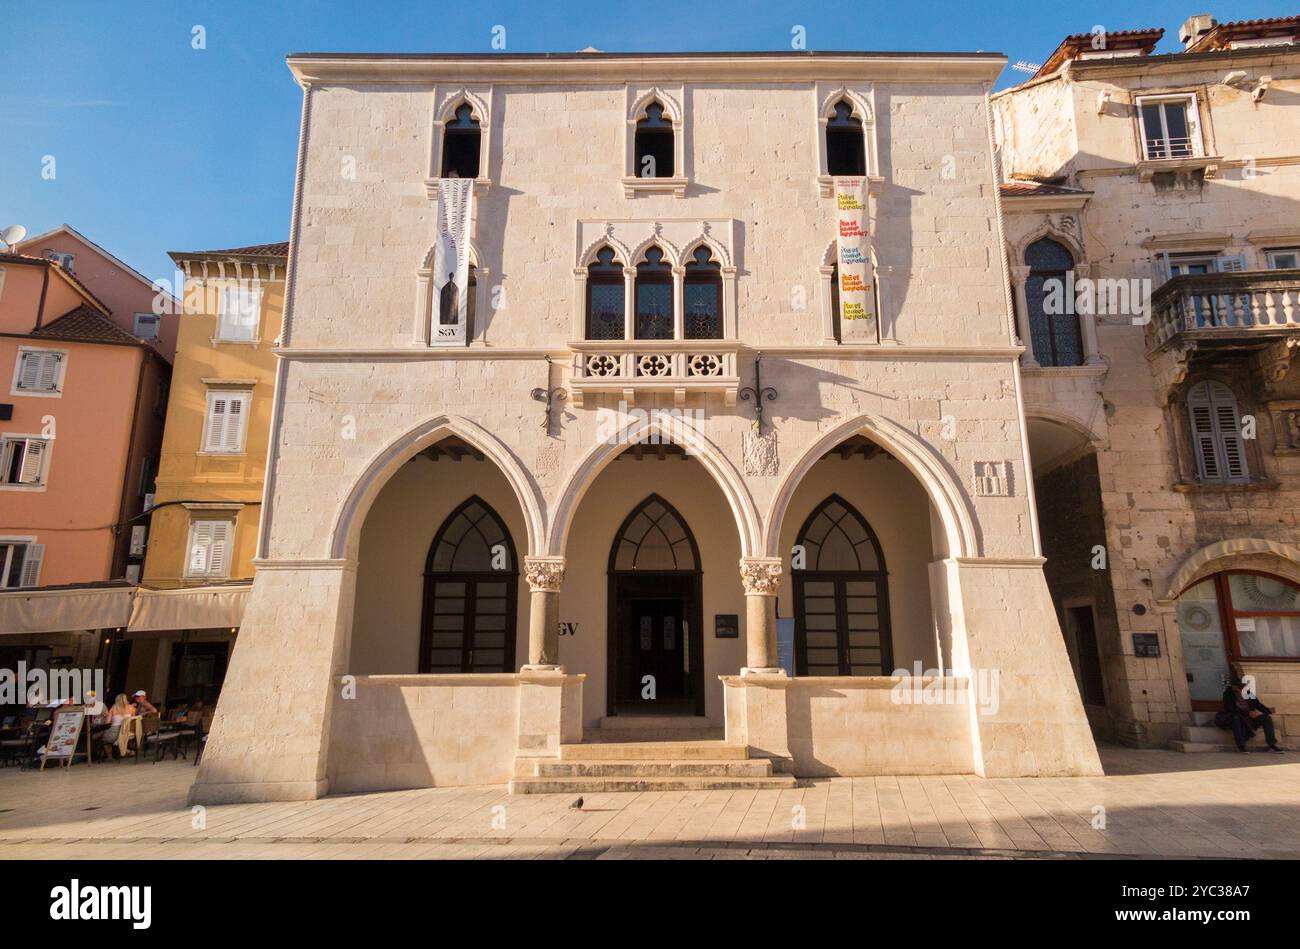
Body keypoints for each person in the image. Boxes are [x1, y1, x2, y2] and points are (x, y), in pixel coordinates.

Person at [1217, 677, 1284, 753]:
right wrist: (1248, 712)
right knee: (1236, 718)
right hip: (1236, 719)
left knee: (1266, 718)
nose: (1240, 692)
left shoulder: (1248, 693)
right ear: (1234, 689)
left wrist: (1268, 710)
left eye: (1242, 689)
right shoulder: (1228, 694)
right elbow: (1229, 709)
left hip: (1248, 719)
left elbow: (1258, 705)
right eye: (1238, 690)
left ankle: (1272, 745)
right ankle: (1241, 746)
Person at [101, 694, 136, 759]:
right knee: (122, 738)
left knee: (105, 740)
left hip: (115, 732)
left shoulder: (113, 708)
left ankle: (110, 757)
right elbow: (133, 720)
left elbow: (107, 722)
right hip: (128, 733)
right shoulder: (132, 708)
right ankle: (124, 752)